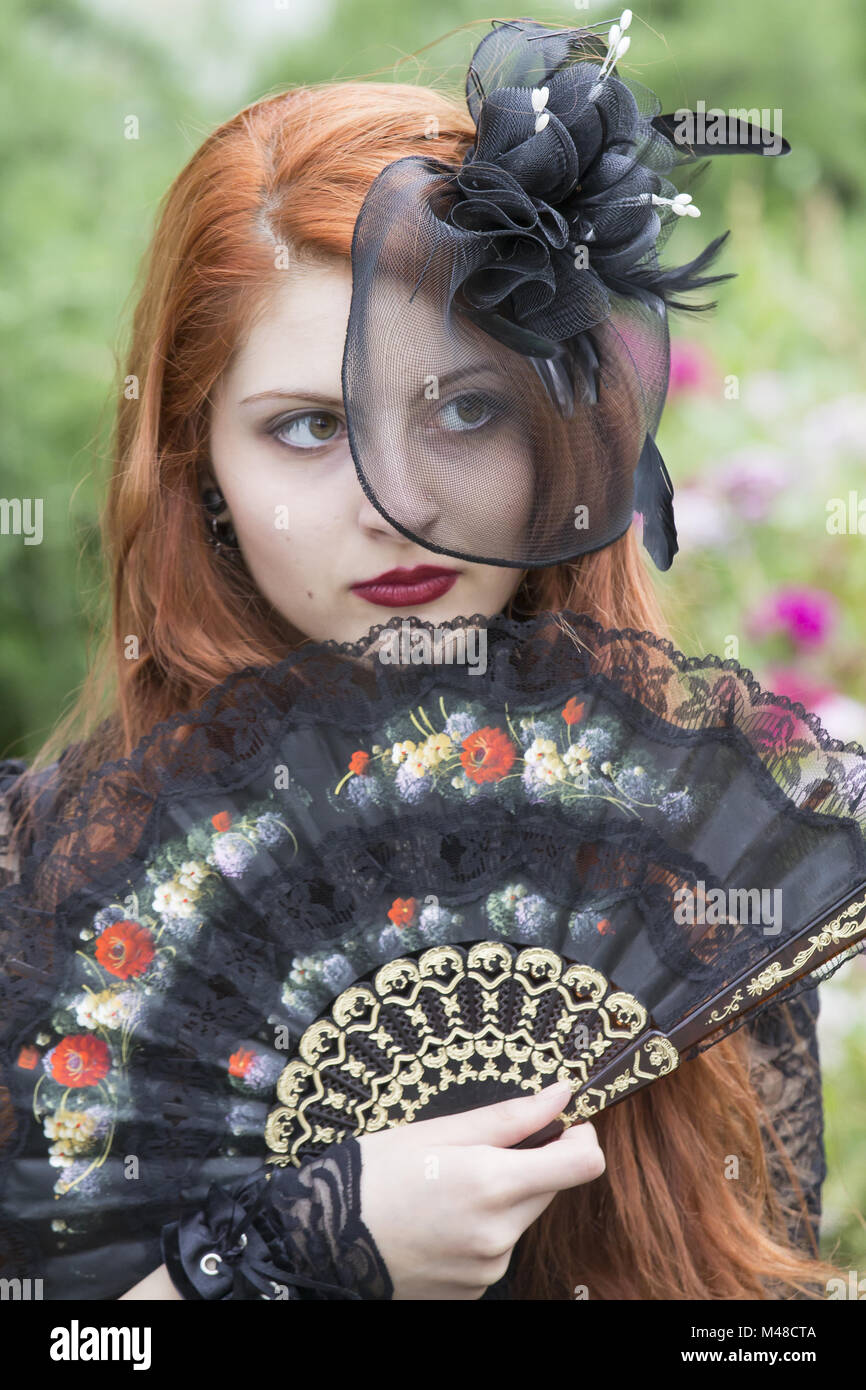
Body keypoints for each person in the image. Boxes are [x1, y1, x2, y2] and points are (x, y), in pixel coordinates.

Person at [0, 20, 836, 1301]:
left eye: (467, 409)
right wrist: (292, 1258)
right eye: (306, 428)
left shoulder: (689, 869)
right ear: (196, 469)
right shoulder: (33, 884)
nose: (400, 505)